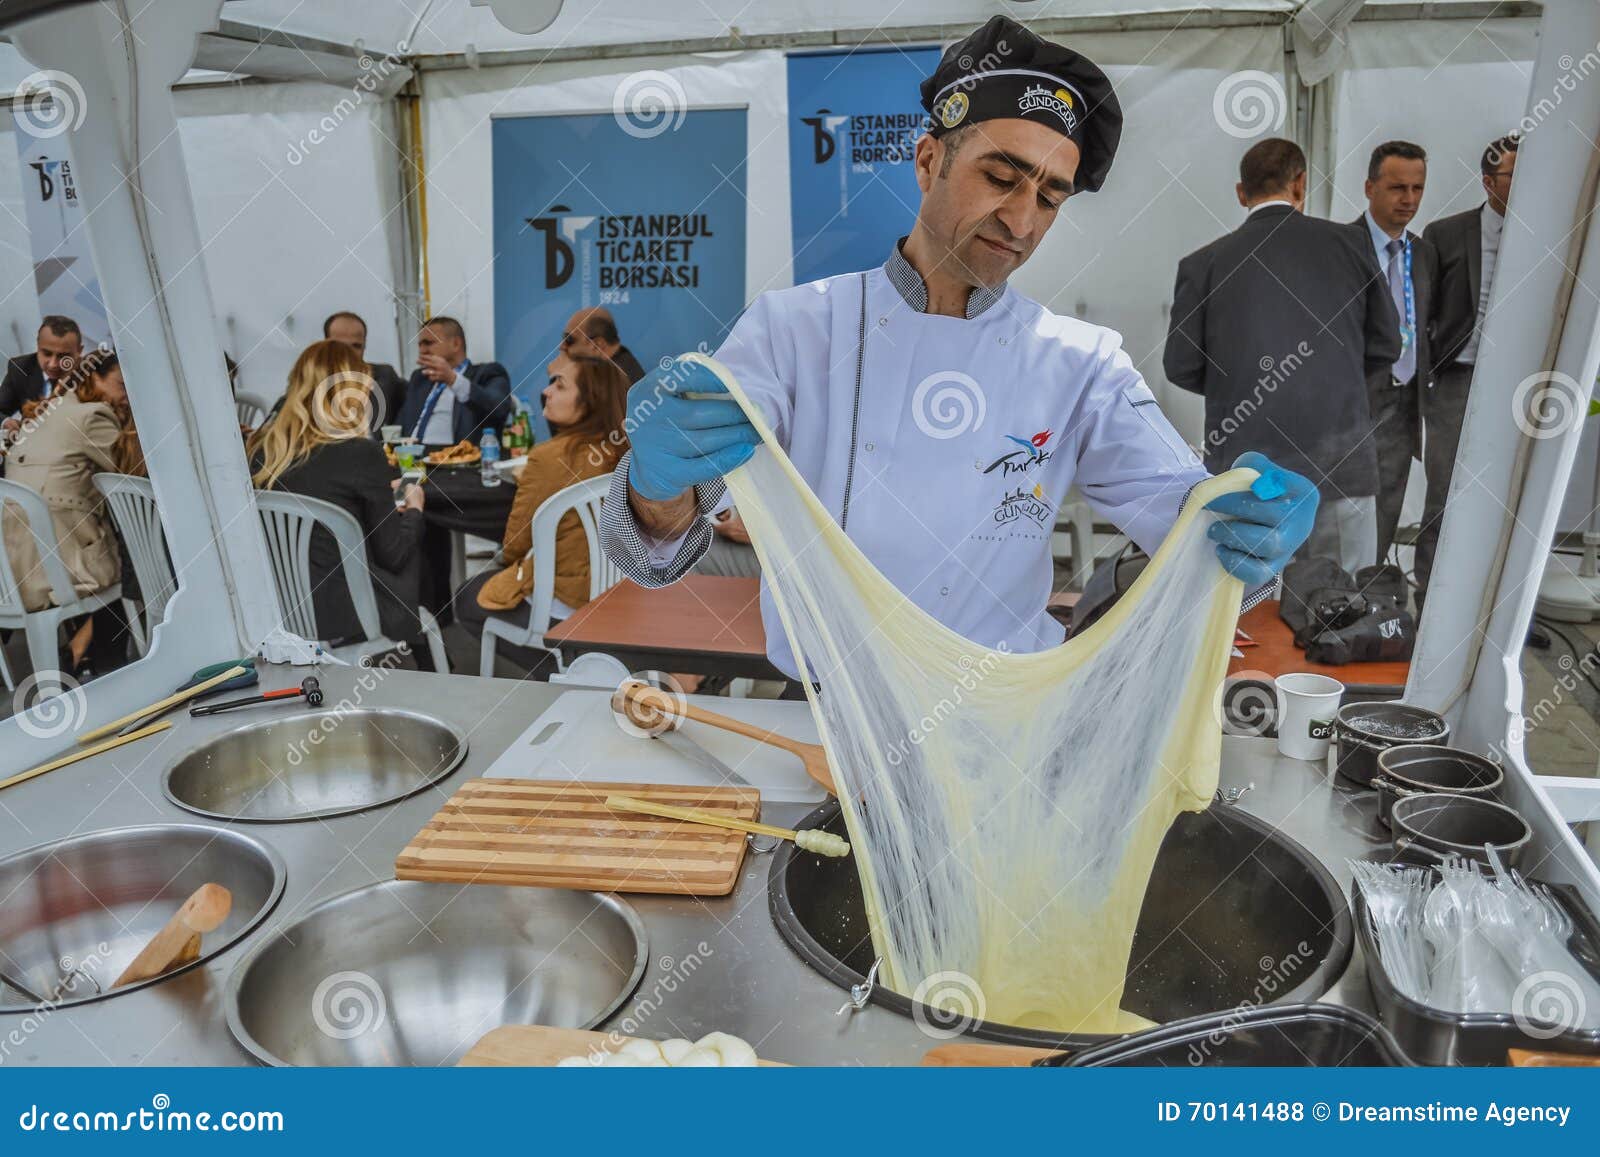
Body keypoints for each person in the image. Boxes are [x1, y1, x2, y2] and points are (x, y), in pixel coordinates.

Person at [599, 16, 1319, 685]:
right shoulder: (795, 329)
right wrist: (659, 483)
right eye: (1001, 178)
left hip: (1003, 716)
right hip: (831, 711)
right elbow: (656, 548)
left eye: (1050, 197)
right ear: (927, 160)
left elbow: (1189, 526)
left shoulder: (1080, 362)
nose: (1021, 218)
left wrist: (1248, 528)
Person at [1165, 137, 1399, 575]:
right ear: (1301, 183)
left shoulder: (1203, 264)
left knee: (1246, 609)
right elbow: (1387, 345)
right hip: (1341, 464)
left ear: (1241, 193)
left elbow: (1180, 365)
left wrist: (1236, 383)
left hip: (1246, 472)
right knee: (1343, 611)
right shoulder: (1351, 245)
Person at [246, 340, 432, 665]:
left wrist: (376, 496)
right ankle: (424, 663)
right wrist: (414, 508)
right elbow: (394, 555)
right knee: (413, 547)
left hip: (280, 610)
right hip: (347, 617)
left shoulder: (263, 451)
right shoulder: (361, 453)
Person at [453, 354, 629, 673]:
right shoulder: (630, 451)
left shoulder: (549, 458)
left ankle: (562, 668)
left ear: (591, 400)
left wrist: (535, 484)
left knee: (467, 595)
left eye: (559, 386)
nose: (546, 393)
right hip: (621, 596)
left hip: (564, 605)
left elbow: (514, 548)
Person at [1418, 133, 1518, 608]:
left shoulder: (1550, 231)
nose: (1525, 186)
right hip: (1457, 377)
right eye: (1514, 176)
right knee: (1444, 490)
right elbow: (1422, 313)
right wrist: (1426, 379)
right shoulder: (1447, 233)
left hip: (1520, 386)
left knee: (1507, 494)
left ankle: (1499, 603)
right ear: (1488, 181)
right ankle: (1430, 597)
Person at [2, 347, 141, 677]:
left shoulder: (49, 411)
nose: (128, 395)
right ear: (95, 378)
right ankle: (113, 667)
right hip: (58, 565)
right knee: (140, 563)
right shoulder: (92, 416)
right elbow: (133, 476)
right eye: (123, 385)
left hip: (14, 567)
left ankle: (83, 654)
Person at [1350, 141, 1437, 571]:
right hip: (1351, 400)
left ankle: (1366, 593)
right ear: (1370, 187)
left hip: (1404, 399)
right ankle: (1327, 596)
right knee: (1342, 503)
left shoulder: (1425, 253)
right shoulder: (1340, 247)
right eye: (1397, 187)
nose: (1409, 199)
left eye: (1418, 188)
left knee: (1388, 501)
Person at [393, 316, 511, 450]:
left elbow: (499, 409)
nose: (422, 350)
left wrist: (453, 379)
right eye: (420, 345)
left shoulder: (487, 373)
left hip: (453, 461)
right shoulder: (420, 379)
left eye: (428, 343)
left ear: (455, 344)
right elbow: (402, 423)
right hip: (409, 458)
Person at [323, 310, 407, 430]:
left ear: (364, 346)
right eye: (340, 346)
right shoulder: (310, 381)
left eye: (356, 346)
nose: (349, 353)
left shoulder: (384, 377)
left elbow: (418, 404)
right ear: (325, 346)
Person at [1, 316, 83, 430]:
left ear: (79, 352)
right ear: (38, 346)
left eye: (63, 356)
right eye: (47, 354)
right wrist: (6, 421)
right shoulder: (20, 368)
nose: (53, 364)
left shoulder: (95, 375)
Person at [560, 307, 647, 385]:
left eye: (569, 340)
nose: (561, 347)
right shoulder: (620, 369)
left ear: (597, 344)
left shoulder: (619, 387)